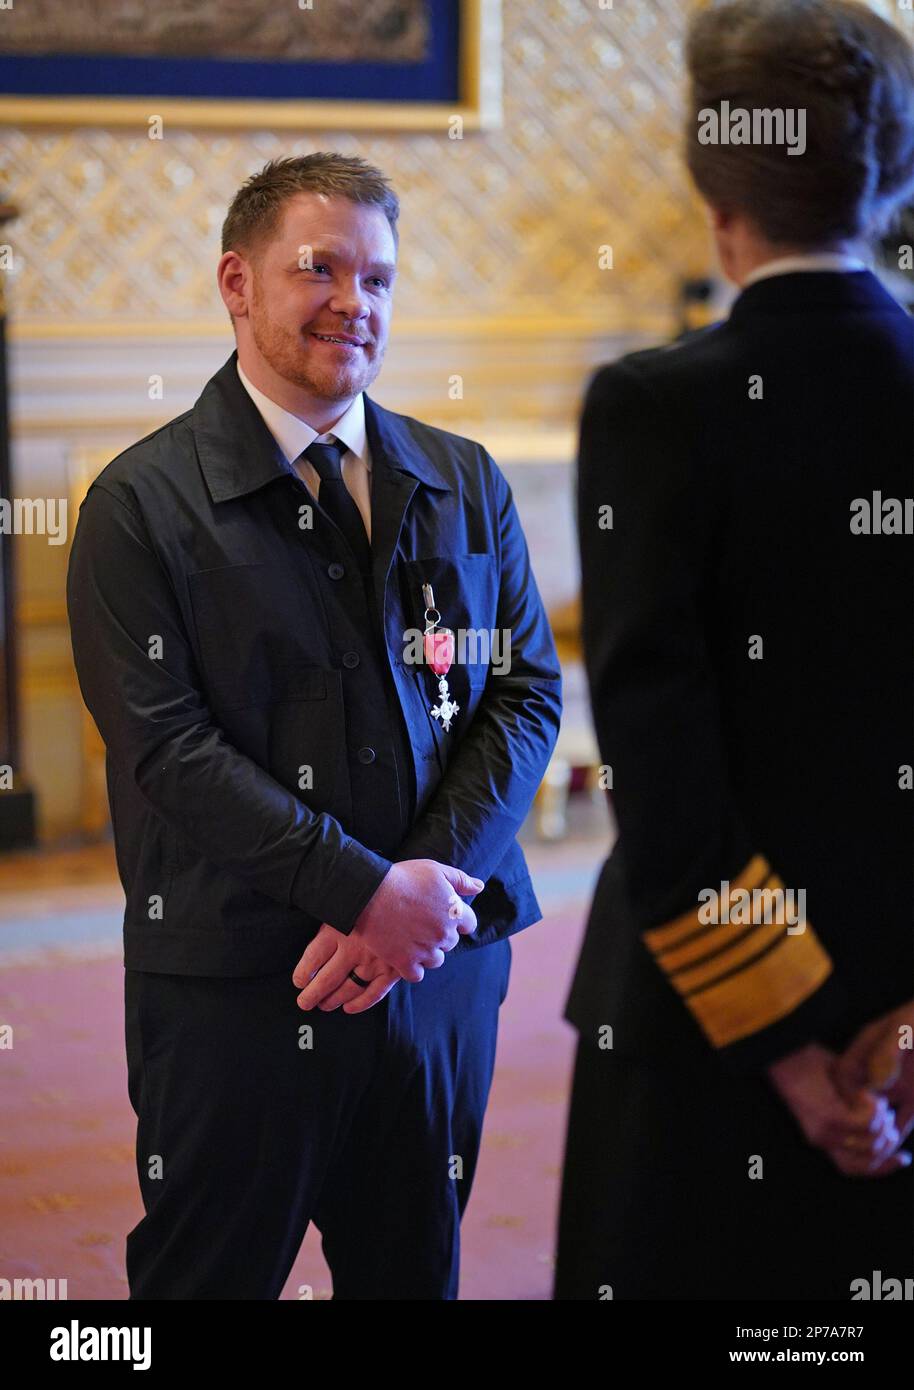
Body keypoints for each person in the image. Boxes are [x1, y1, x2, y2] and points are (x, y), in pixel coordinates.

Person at [66, 153, 562, 1300]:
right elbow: (165, 746)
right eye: (319, 268)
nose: (357, 302)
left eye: (380, 277)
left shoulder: (462, 477)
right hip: (244, 983)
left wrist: (419, 889)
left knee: (411, 1280)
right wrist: (357, 892)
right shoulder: (139, 506)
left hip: (438, 975)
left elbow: (523, 692)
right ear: (237, 283)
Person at [556, 0, 914, 1300]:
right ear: (888, 176)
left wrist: (787, 1051)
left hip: (707, 1037)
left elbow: (661, 761)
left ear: (713, 193)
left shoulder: (655, 405)